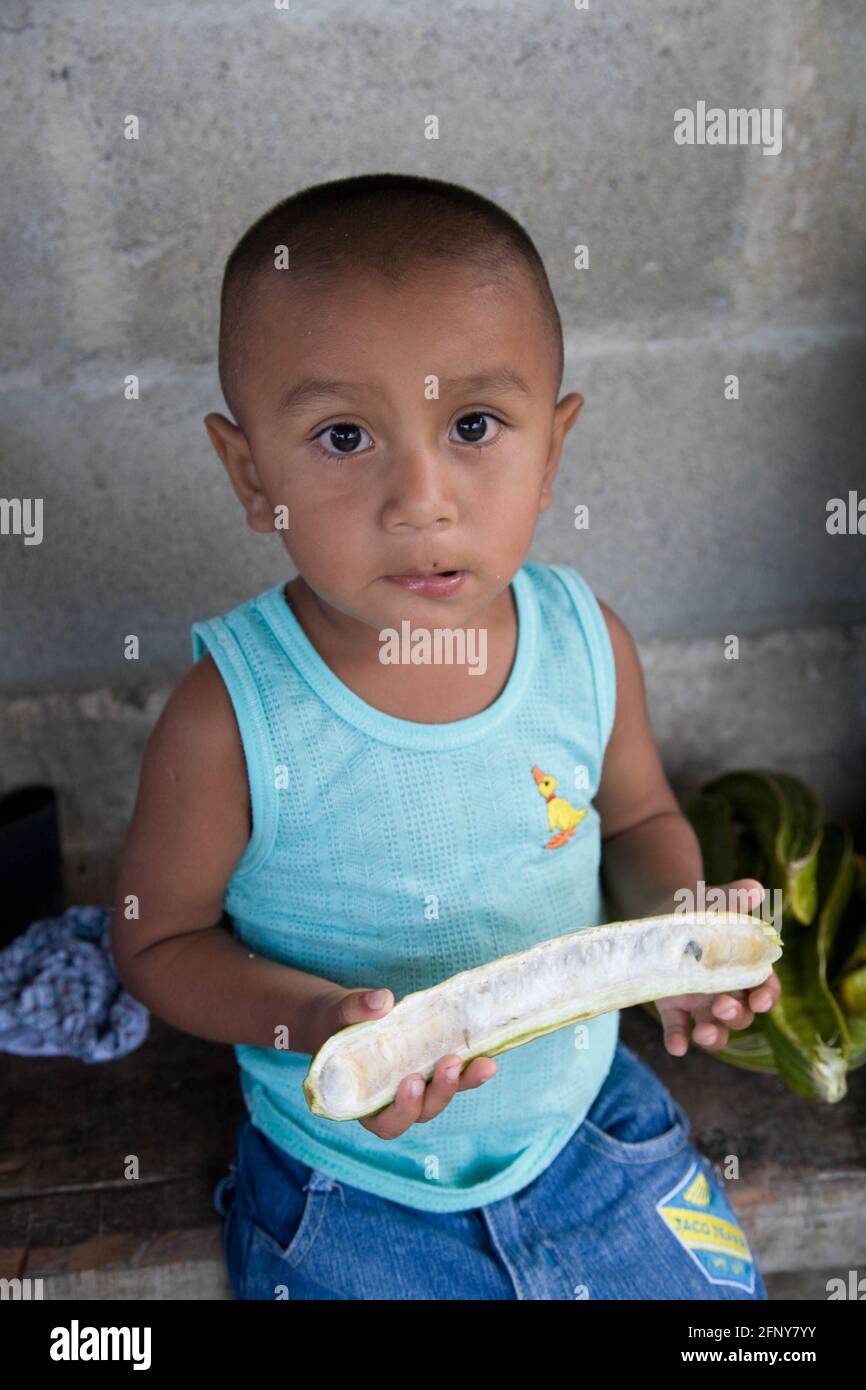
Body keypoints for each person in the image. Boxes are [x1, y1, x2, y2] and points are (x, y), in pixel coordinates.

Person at [111, 173, 781, 1300]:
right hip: (351, 1185)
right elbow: (156, 942)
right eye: (342, 436)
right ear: (249, 474)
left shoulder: (583, 643)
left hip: (585, 1132)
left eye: (473, 425)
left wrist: (676, 932)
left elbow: (640, 818)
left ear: (551, 446)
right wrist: (320, 1023)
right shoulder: (230, 716)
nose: (419, 499)